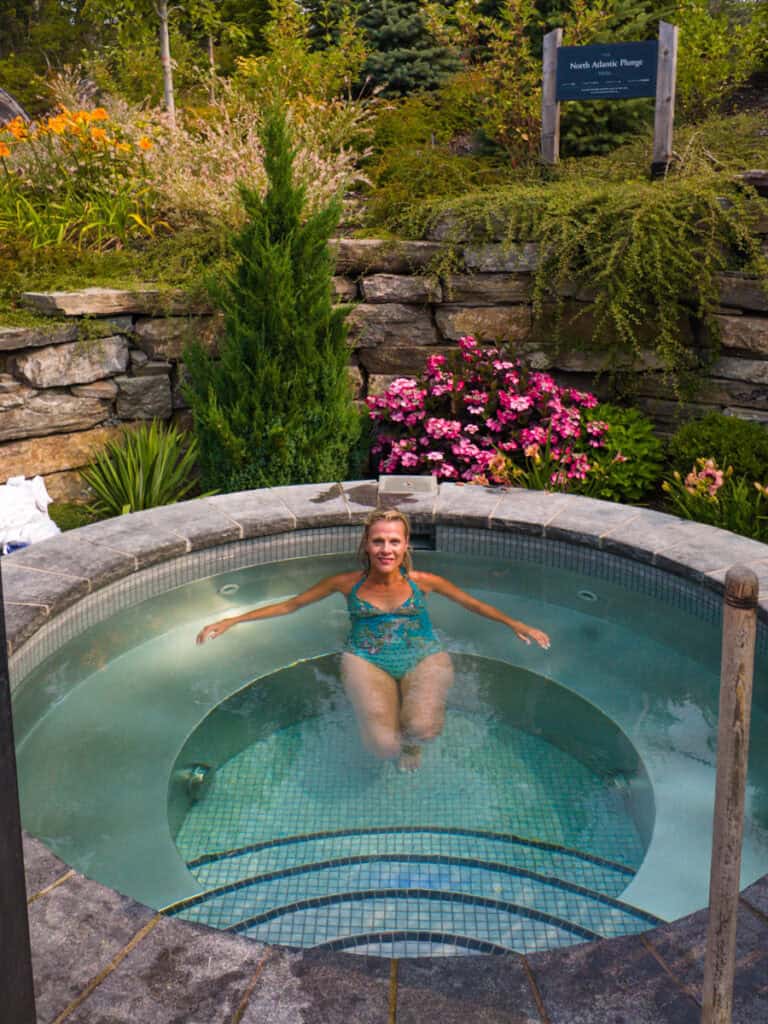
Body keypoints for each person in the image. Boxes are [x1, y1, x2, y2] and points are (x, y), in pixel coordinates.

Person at [196, 508, 550, 772]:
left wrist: (514, 623)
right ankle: (389, 719)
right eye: (378, 540)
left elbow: (470, 603)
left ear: (405, 544)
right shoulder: (346, 583)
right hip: (366, 658)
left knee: (422, 728)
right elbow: (292, 604)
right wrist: (234, 619)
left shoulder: (424, 582)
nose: (386, 549)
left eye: (394, 541)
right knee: (382, 747)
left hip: (423, 655)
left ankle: (412, 743)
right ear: (366, 544)